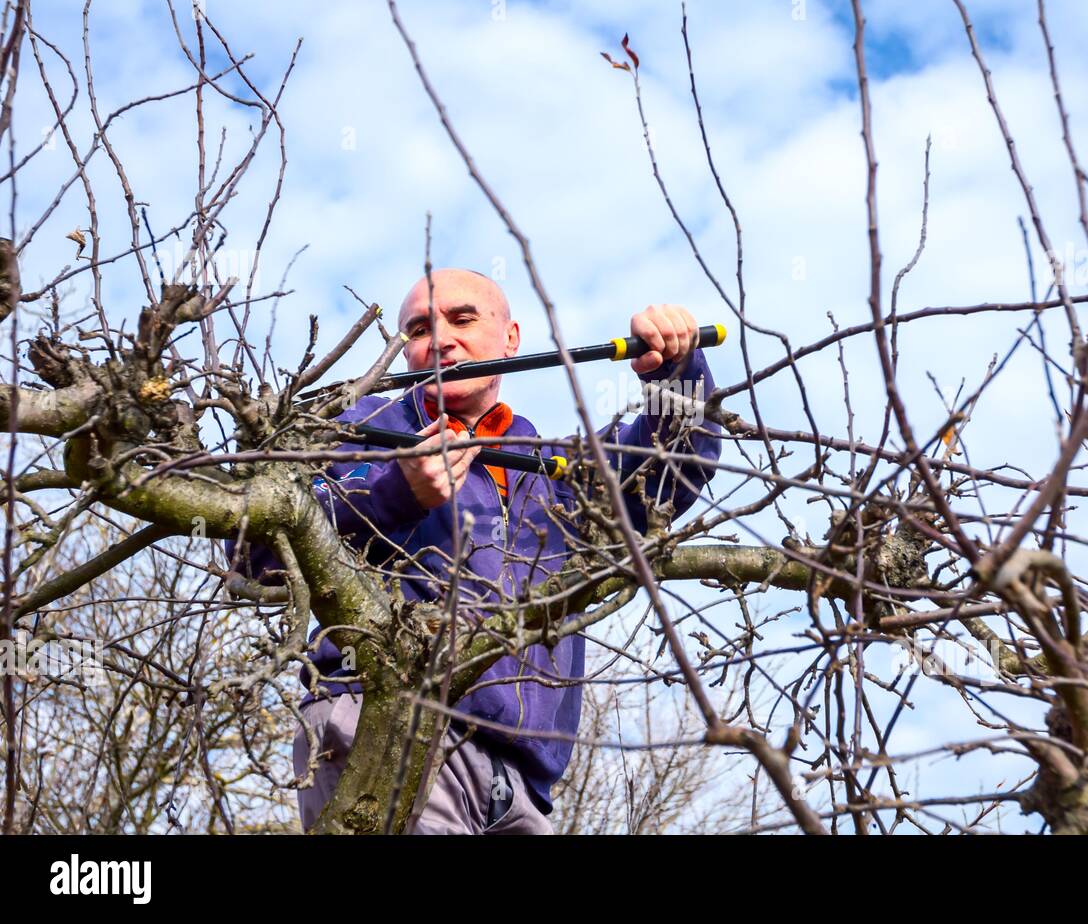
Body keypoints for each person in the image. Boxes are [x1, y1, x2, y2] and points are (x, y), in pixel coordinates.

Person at [229, 269, 721, 833]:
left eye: (463, 319)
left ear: (511, 338)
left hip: (523, 789)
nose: (440, 339)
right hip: (390, 728)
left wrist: (676, 368)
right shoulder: (355, 432)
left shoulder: (551, 468)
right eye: (419, 329)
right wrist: (394, 493)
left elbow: (665, 480)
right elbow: (253, 556)